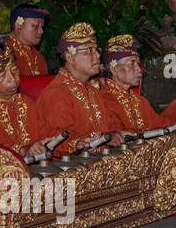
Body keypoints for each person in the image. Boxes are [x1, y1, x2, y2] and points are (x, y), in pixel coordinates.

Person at [36, 23, 125, 155]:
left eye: (96, 49)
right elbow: (56, 140)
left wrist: (113, 135)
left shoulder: (92, 90)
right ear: (70, 57)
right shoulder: (56, 93)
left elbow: (111, 125)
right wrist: (77, 144)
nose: (97, 56)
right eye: (89, 50)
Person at [0, 43, 50, 157]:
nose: (13, 79)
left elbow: (46, 135)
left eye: (14, 70)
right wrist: (23, 151)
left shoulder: (28, 103)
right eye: (2, 75)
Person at [97, 35, 164, 131]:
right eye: (132, 63)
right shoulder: (104, 99)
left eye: (138, 63)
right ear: (114, 69)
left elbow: (161, 127)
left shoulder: (140, 101)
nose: (139, 69)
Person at [5, 4, 49, 76]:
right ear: (18, 25)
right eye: (35, 26)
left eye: (42, 27)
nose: (41, 31)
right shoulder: (3, 54)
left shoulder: (39, 57)